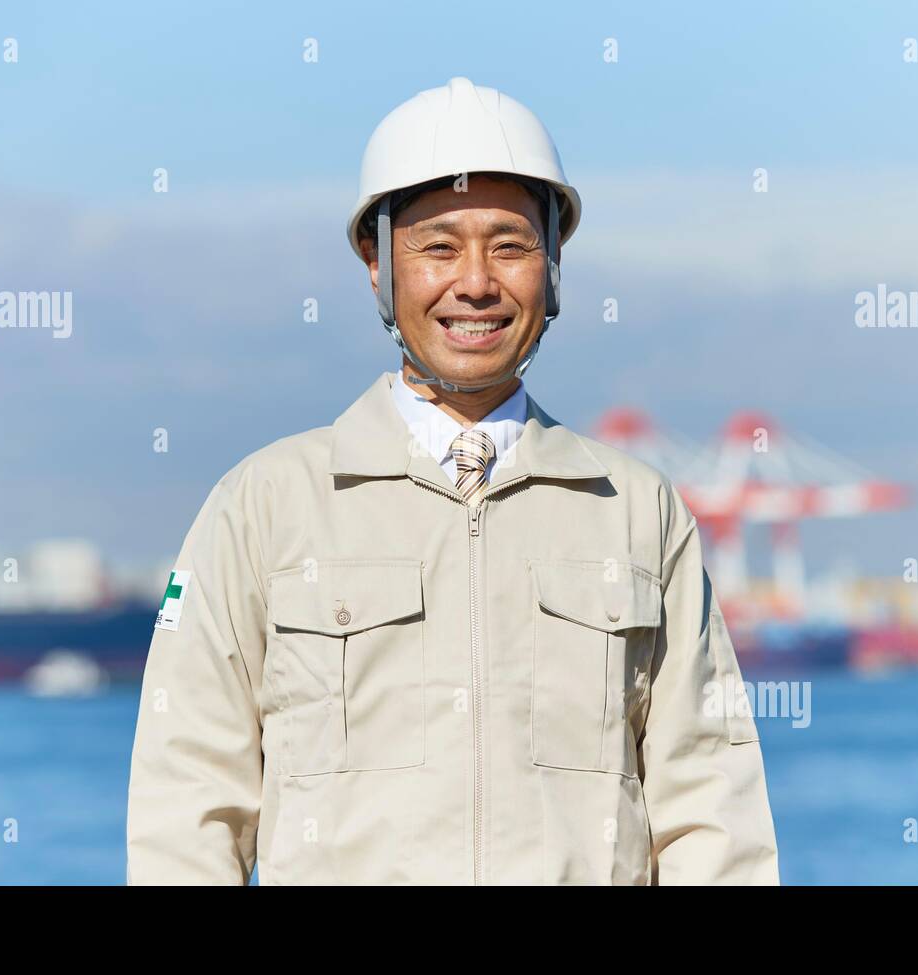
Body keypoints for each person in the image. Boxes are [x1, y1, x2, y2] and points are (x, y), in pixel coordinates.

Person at [126, 77, 779, 885]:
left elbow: (713, 813)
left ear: (555, 262)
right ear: (376, 264)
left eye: (509, 244)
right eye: (437, 247)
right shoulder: (261, 508)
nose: (475, 282)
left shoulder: (639, 513)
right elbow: (185, 809)